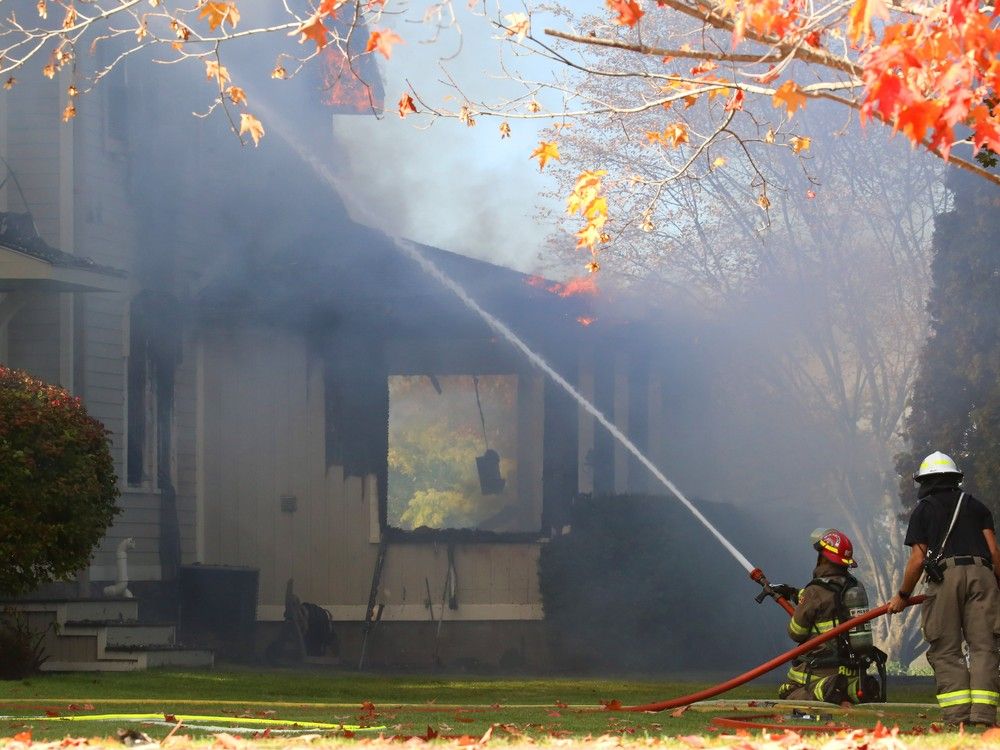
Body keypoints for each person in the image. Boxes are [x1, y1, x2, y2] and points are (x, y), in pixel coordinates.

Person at [888, 451, 1000, 727]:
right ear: (955, 479)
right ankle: (984, 715)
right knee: (984, 646)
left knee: (946, 648)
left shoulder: (924, 509)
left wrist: (902, 595)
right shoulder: (976, 506)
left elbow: (917, 560)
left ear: (925, 482)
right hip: (982, 574)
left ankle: (959, 716)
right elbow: (994, 552)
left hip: (945, 578)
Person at [777, 529, 881, 704]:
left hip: (820, 669)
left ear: (823, 558)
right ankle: (855, 689)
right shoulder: (855, 587)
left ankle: (827, 689)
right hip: (852, 668)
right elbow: (831, 600)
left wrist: (801, 608)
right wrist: (793, 593)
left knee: (788, 692)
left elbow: (796, 632)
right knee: (851, 688)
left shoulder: (814, 591)